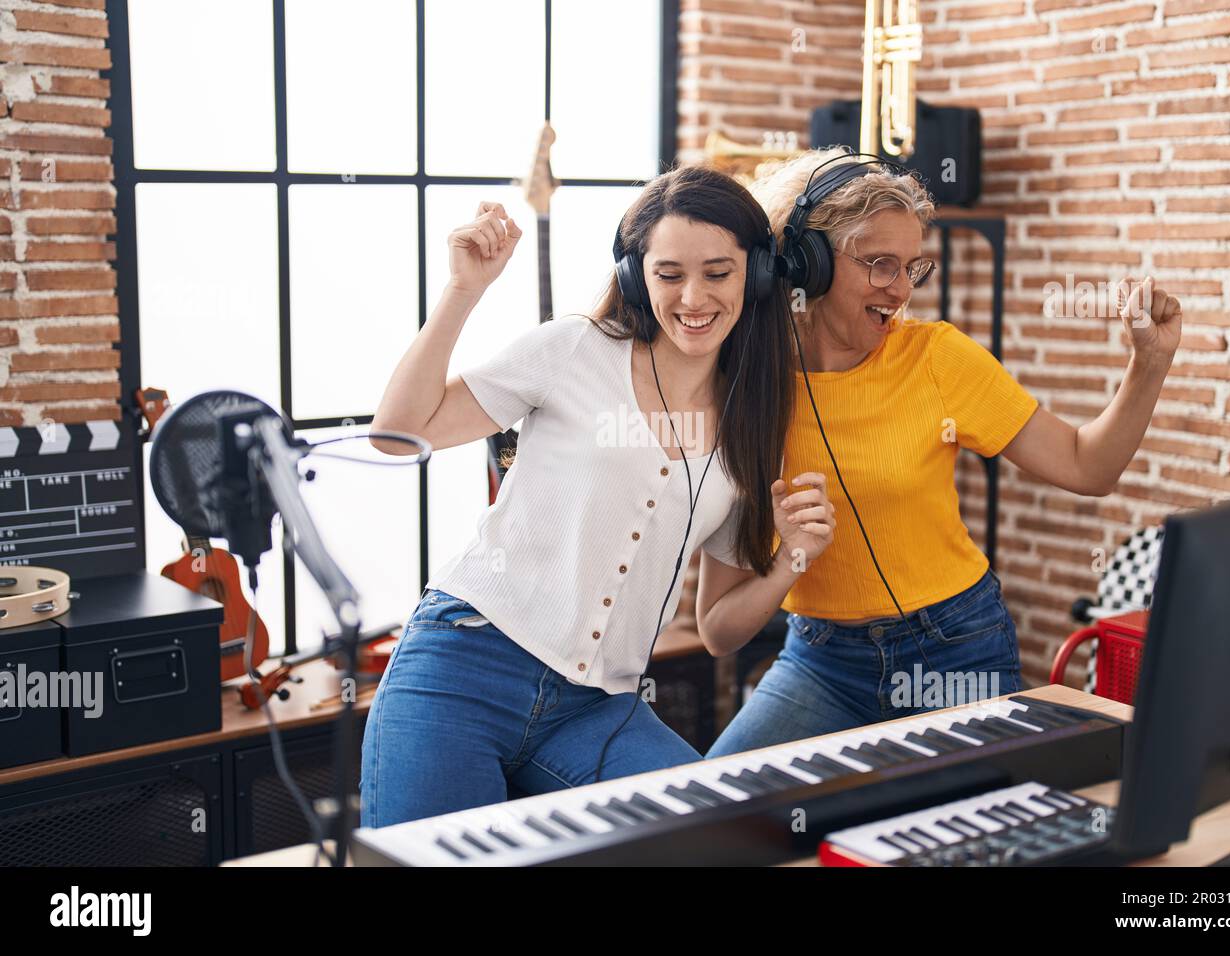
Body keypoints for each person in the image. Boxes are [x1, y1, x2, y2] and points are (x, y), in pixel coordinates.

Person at [360, 164, 834, 827]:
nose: (693, 297)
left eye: (717, 273)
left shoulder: (753, 425)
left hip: (596, 711)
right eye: (669, 274)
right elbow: (397, 435)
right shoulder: (573, 349)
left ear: (756, 275)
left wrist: (792, 560)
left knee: (721, 833)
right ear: (639, 275)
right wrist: (463, 290)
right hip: (464, 669)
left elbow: (720, 630)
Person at [700, 149, 1183, 757]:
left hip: (954, 647)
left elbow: (1090, 467)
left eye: (912, 268)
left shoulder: (937, 358)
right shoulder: (746, 389)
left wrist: (1150, 363)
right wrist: (787, 562)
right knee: (722, 800)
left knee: (973, 834)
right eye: (879, 265)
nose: (900, 290)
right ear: (806, 266)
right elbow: (718, 625)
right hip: (819, 663)